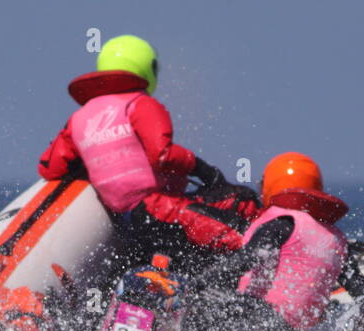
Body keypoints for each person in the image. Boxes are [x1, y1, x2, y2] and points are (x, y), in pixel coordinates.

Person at [36, 35, 258, 270]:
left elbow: (50, 167)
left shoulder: (78, 119)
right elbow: (162, 155)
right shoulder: (141, 104)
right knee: (240, 226)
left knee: (188, 256)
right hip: (158, 209)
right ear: (147, 67)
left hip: (129, 221)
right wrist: (205, 171)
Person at [186, 152, 364, 331]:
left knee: (194, 302)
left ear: (271, 186)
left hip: (259, 321)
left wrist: (200, 282)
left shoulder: (281, 224)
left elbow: (249, 258)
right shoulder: (337, 240)